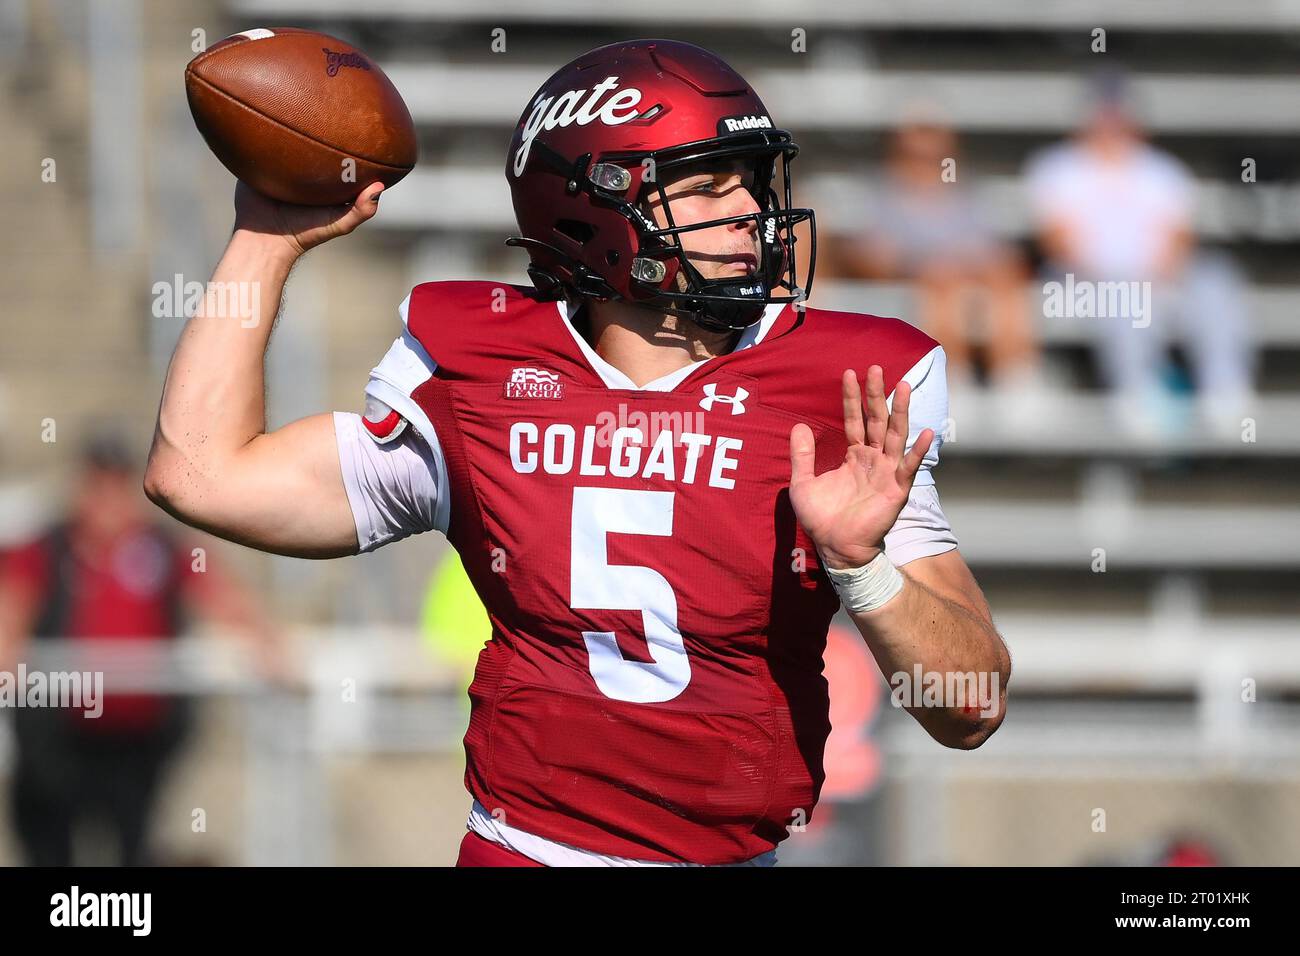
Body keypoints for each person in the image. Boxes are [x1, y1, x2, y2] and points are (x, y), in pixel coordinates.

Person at [145, 39, 1010, 867]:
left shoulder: (839, 391)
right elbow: (200, 473)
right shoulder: (477, 371)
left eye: (749, 184)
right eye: (707, 188)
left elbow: (971, 708)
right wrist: (265, 235)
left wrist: (864, 570)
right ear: (598, 205)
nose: (752, 212)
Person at [0, 430, 273, 866]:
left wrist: (265, 645)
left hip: (137, 739)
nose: (107, 500)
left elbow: (220, 596)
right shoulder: (48, 547)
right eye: (97, 484)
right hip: (57, 738)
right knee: (51, 846)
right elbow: (13, 604)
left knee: (133, 847)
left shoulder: (161, 547)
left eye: (116, 483)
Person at [1024, 68, 1255, 439]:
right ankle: (1137, 395)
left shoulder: (1163, 171)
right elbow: (1059, 242)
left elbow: (1179, 239)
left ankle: (1225, 391)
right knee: (1122, 292)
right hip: (1081, 285)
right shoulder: (1057, 168)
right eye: (1103, 113)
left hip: (1157, 280)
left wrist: (1154, 275)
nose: (1111, 123)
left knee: (1216, 278)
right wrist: (1121, 276)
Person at [833, 116, 1043, 427]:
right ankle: (954, 380)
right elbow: (870, 257)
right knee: (941, 277)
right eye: (916, 155)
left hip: (968, 279)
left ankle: (1017, 378)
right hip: (919, 280)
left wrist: (966, 262)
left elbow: (991, 249)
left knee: (1002, 276)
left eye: (935, 156)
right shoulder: (881, 194)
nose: (926, 163)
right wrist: (919, 261)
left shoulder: (965, 194)